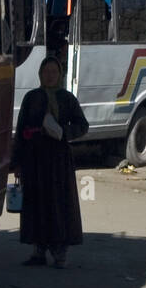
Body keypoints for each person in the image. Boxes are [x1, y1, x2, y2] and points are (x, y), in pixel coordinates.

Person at [12, 56, 89, 268]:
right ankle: (38, 251)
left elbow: (83, 125)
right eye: (46, 72)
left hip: (59, 163)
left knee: (58, 204)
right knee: (36, 203)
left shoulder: (67, 99)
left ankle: (59, 252)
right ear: (40, 74)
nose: (50, 75)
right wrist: (17, 162)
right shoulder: (31, 98)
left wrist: (64, 132)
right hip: (34, 160)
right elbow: (20, 131)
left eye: (54, 72)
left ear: (60, 74)